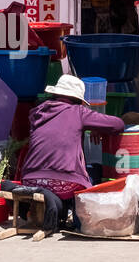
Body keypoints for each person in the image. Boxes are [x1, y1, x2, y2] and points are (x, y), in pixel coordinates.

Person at [15, 74, 125, 232]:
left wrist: (89, 126)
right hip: (63, 183)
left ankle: (54, 207)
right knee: (93, 171)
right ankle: (72, 212)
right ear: (77, 99)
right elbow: (118, 125)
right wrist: (95, 125)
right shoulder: (79, 112)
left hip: (30, 181)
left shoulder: (37, 113)